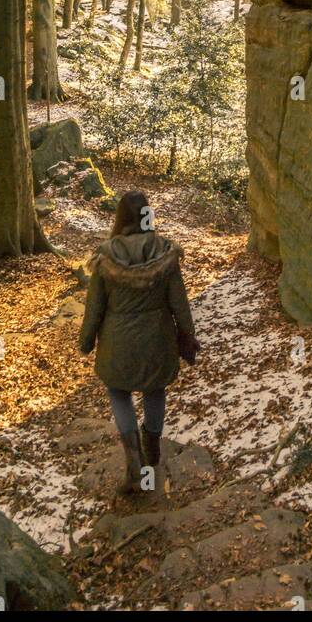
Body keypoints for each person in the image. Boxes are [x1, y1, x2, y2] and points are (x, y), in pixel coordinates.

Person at [78, 190, 198, 495]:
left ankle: (135, 461)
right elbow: (179, 303)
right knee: (154, 389)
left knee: (119, 392)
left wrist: (86, 340)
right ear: (148, 216)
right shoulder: (164, 252)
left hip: (118, 342)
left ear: (120, 218)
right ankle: (153, 444)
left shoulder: (106, 255)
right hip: (157, 339)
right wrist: (187, 334)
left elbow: (95, 307)